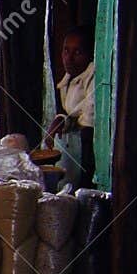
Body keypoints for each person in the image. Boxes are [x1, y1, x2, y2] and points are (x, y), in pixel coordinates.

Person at [47, 26, 95, 188]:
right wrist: (61, 121)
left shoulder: (94, 77)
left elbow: (89, 121)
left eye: (77, 52)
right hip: (75, 149)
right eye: (66, 51)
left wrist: (68, 122)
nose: (69, 58)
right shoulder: (68, 80)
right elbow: (72, 113)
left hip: (88, 149)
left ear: (89, 55)